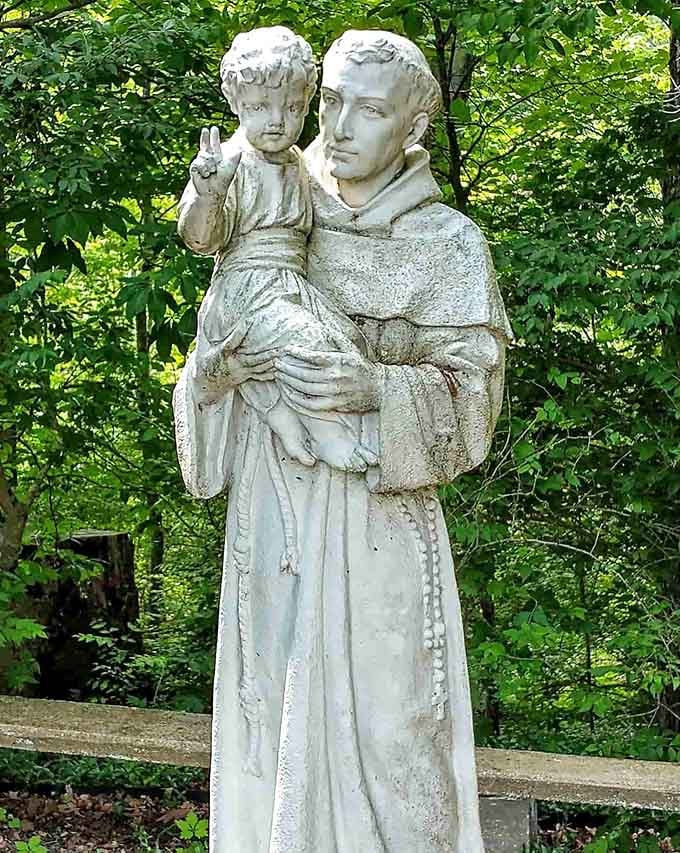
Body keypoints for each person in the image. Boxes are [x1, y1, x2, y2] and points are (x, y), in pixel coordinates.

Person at [173, 27, 513, 853]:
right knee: (274, 724)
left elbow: (475, 403)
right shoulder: (270, 202)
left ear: (413, 128)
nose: (344, 124)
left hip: (381, 527)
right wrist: (215, 373)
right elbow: (205, 365)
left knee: (397, 728)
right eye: (332, 102)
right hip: (274, 513)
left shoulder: (449, 245)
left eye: (372, 110)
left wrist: (376, 389)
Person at [178, 26, 377, 495]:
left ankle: (287, 422)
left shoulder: (300, 165)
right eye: (260, 108)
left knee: (342, 342)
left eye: (291, 108)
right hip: (246, 288)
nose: (276, 121)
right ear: (236, 104)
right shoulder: (227, 163)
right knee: (304, 341)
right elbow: (201, 239)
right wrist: (209, 195)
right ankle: (325, 432)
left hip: (290, 285)